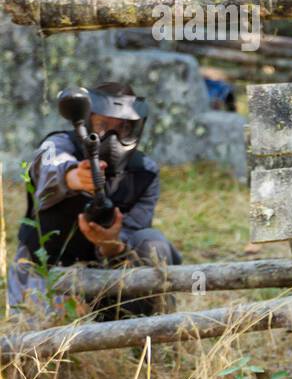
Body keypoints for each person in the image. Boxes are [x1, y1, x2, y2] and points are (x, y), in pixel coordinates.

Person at [7, 82, 182, 318]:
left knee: (153, 242)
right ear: (87, 120)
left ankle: (151, 331)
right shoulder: (58, 145)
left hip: (105, 279)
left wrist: (110, 244)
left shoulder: (145, 172)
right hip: (46, 274)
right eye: (103, 125)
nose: (111, 137)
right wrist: (74, 177)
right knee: (46, 341)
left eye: (122, 128)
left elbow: (134, 234)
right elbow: (49, 166)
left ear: (135, 130)